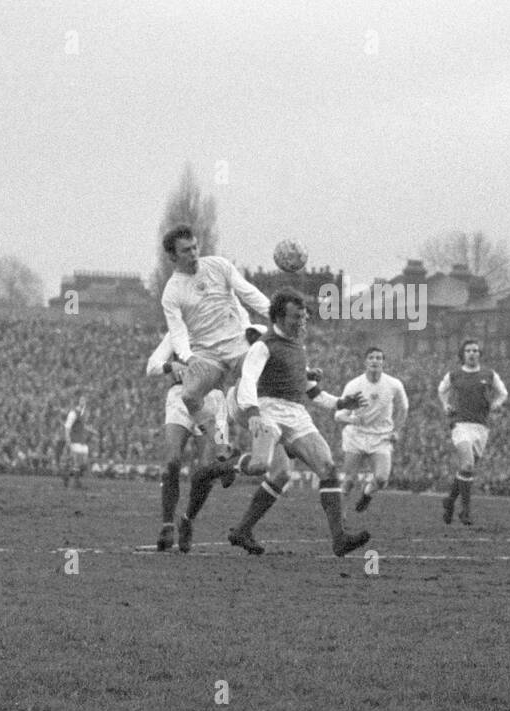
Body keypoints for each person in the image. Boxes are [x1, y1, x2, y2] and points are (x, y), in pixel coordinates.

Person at [197, 290, 368, 556]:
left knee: (327, 468)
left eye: (304, 316)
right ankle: (219, 469)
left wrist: (341, 403)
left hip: (295, 413)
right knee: (262, 466)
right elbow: (249, 381)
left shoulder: (299, 347)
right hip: (267, 409)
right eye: (296, 317)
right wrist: (253, 412)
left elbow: (312, 392)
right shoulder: (264, 346)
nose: (302, 321)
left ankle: (339, 538)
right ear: (279, 317)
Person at [159, 225, 269, 423]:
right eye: (186, 250)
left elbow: (248, 292)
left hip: (236, 344)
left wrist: (274, 313)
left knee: (260, 379)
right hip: (206, 353)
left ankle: (238, 410)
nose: (193, 254)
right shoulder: (172, 291)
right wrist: (189, 357)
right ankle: (220, 429)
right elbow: (177, 332)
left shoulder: (218, 266)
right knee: (189, 396)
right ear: (173, 257)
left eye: (194, 247)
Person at [145, 333, 229, 550]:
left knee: (207, 469)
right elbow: (151, 366)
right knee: (172, 461)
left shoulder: (223, 328)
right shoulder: (177, 332)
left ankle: (187, 519)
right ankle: (167, 525)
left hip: (213, 398)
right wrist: (170, 366)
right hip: (180, 396)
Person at [438, 339, 508, 526]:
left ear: (479, 354)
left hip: (481, 427)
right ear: (463, 354)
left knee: (465, 469)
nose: (472, 353)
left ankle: (450, 501)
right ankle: (466, 511)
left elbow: (503, 393)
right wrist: (446, 405)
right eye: (468, 350)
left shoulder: (489, 374)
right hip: (460, 424)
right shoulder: (454, 374)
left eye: (476, 350)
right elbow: (441, 390)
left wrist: (496, 404)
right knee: (468, 465)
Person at [336, 347, 408, 515]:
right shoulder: (354, 385)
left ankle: (367, 494)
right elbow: (339, 415)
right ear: (365, 362)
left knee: (382, 479)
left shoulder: (394, 384)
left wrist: (396, 430)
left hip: (381, 437)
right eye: (371, 357)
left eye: (378, 358)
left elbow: (404, 408)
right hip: (356, 435)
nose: (375, 361)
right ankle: (340, 518)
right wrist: (353, 419)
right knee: (348, 481)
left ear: (383, 362)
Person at [62, 395, 96, 488]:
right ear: (78, 401)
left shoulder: (84, 412)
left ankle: (67, 475)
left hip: (82, 440)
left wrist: (90, 430)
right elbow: (67, 426)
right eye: (81, 400)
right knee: (77, 462)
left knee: (84, 463)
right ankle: (76, 482)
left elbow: (82, 425)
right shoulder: (73, 413)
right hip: (74, 440)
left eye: (84, 400)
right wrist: (67, 438)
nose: (83, 402)